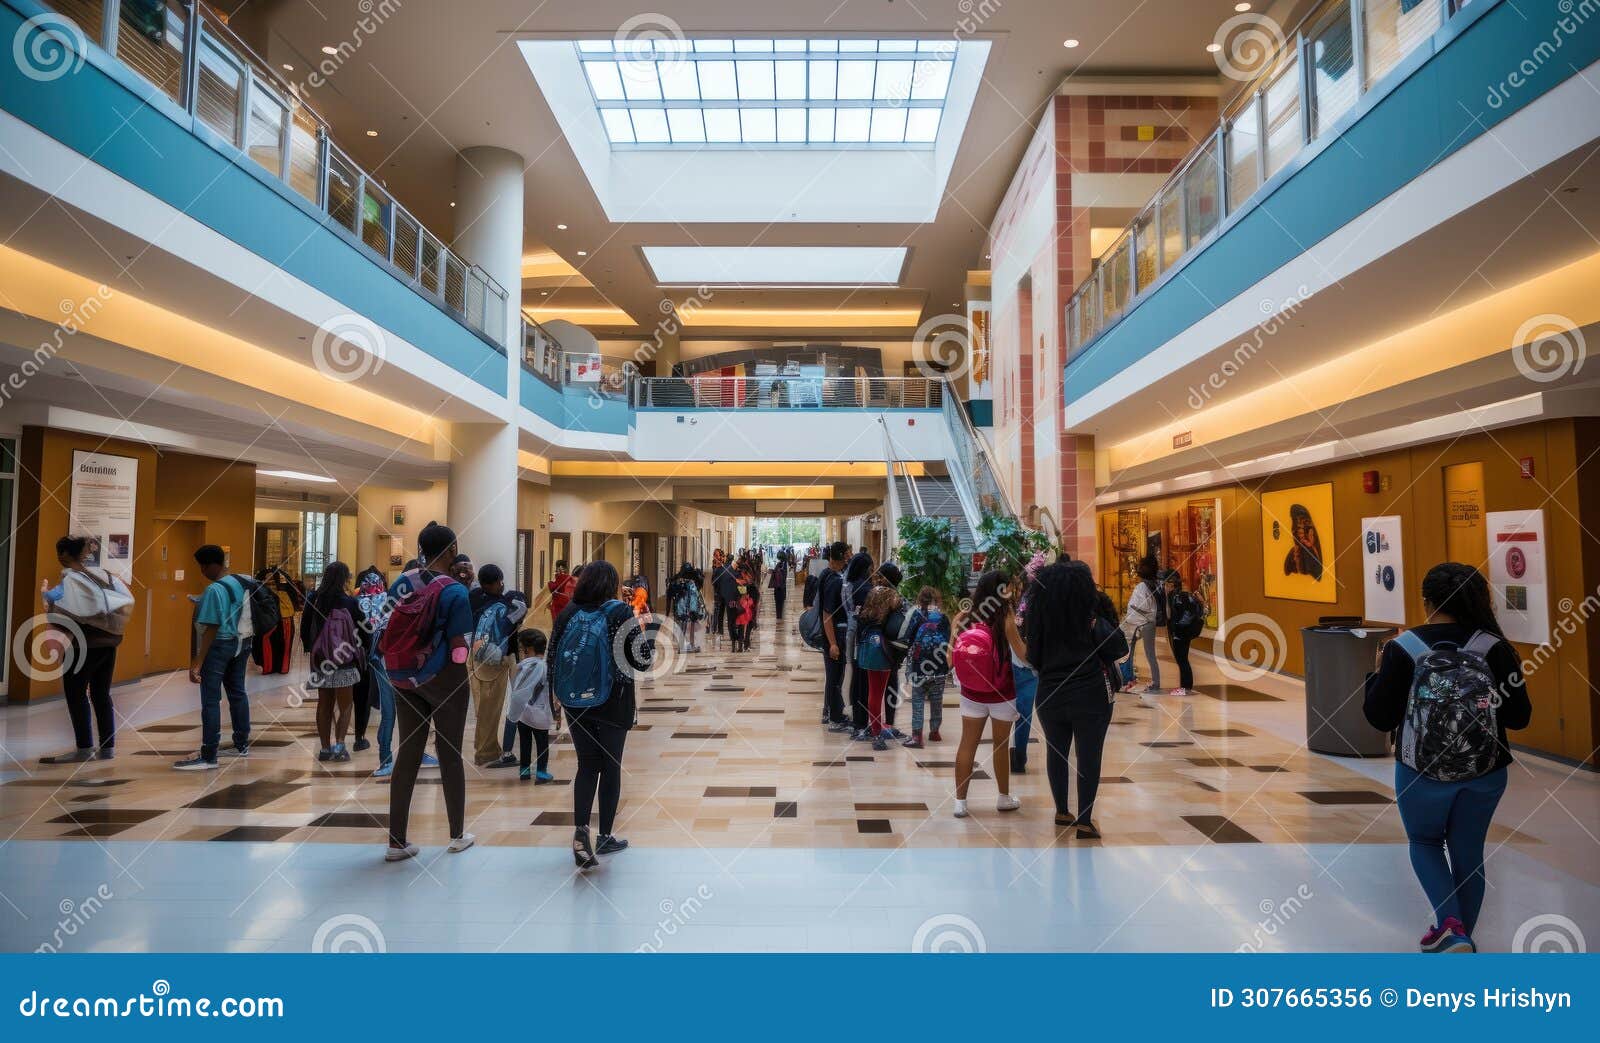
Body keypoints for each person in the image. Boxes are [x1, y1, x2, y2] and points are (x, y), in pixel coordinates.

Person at [1363, 563, 1532, 954]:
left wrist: (1374, 679)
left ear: (1427, 601)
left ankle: (1451, 929)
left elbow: (1379, 717)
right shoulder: (1494, 647)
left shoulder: (1404, 648)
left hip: (1421, 772)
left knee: (1424, 842)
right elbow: (1520, 718)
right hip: (1486, 771)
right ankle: (1458, 936)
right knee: (1468, 852)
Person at [383, 522, 477, 861]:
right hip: (444, 679)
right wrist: (457, 673)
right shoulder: (454, 591)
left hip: (401, 676)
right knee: (450, 752)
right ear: (451, 550)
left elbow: (383, 625)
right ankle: (456, 835)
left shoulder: (402, 582)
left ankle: (397, 842)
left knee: (407, 752)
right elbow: (460, 647)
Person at [549, 560, 646, 869]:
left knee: (587, 766)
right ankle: (604, 835)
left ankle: (580, 832)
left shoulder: (568, 612)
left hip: (575, 702)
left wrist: (558, 698)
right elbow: (641, 659)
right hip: (613, 700)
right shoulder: (618, 612)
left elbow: (553, 658)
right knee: (611, 766)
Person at [1025, 561, 1128, 839]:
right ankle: (1085, 820)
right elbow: (1119, 648)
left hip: (1050, 694)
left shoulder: (1041, 620)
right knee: (1089, 756)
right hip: (1090, 693)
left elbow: (1032, 657)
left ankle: (1061, 810)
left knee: (1055, 752)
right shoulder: (1091, 616)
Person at [38, 536, 133, 763]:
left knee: (76, 694)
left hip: (83, 645)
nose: (59, 557)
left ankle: (84, 749)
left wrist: (47, 600)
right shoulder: (104, 575)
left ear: (65, 555)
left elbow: (63, 616)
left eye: (60, 553)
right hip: (109, 644)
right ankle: (108, 748)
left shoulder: (70, 578)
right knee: (101, 694)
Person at [174, 545, 252, 770]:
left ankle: (209, 754)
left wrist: (197, 662)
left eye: (203, 566)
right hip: (243, 642)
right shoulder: (240, 581)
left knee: (210, 699)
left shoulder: (214, 590)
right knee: (238, 692)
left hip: (221, 645)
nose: (202, 571)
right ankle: (241, 744)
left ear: (212, 565)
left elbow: (211, 627)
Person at [949, 571, 1021, 816]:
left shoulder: (964, 617)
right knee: (1000, 746)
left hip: (972, 692)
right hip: (1002, 691)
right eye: (1010, 587)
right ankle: (1003, 797)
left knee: (967, 744)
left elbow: (950, 660)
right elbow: (1021, 653)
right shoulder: (1005, 616)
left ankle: (960, 802)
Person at [300, 562, 366, 762]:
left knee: (324, 704)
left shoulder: (313, 599)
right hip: (344, 660)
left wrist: (312, 649)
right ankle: (340, 745)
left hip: (321, 660)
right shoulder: (349, 602)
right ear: (344, 579)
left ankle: (325, 748)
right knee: (345, 705)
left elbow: (304, 629)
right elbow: (363, 628)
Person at [468, 563, 525, 769]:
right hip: (497, 660)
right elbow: (515, 622)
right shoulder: (505, 602)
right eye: (500, 582)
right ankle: (486, 752)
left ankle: (484, 747)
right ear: (497, 581)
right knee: (491, 708)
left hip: (475, 657)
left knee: (484, 708)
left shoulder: (473, 598)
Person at [505, 629, 557, 783]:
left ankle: (524, 771)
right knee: (542, 744)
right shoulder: (543, 666)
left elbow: (516, 689)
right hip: (540, 713)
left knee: (525, 743)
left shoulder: (522, 666)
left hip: (522, 714)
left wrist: (512, 714)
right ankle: (541, 772)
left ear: (528, 649)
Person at [902, 586, 951, 749]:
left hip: (919, 667)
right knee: (937, 700)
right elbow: (948, 639)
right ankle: (935, 731)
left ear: (920, 600)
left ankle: (917, 736)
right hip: (939, 667)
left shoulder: (916, 615)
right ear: (937, 600)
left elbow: (907, 637)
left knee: (918, 700)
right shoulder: (943, 617)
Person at [855, 584, 902, 751]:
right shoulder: (890, 607)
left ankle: (877, 728)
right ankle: (877, 733)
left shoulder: (867, 613)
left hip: (869, 647)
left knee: (873, 693)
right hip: (882, 650)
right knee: (877, 693)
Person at [816, 541, 852, 732]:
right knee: (836, 676)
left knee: (833, 676)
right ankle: (835, 717)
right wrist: (833, 643)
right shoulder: (834, 581)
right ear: (842, 556)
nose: (850, 556)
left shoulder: (826, 574)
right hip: (833, 635)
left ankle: (829, 711)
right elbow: (827, 613)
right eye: (848, 552)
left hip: (830, 634)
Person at [842, 551, 875, 739]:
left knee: (857, 676)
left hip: (852, 633)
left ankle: (858, 721)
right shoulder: (864, 588)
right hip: (862, 637)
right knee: (862, 680)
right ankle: (861, 722)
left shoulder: (849, 584)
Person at [1119, 556, 1162, 694]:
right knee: (1150, 654)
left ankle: (1127, 679)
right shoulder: (1156, 585)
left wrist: (1131, 612)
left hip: (1138, 624)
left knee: (1127, 651)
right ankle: (1156, 681)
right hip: (1150, 623)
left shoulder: (1142, 586)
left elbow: (1137, 605)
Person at [1163, 570, 1202, 695]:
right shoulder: (1187, 595)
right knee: (1183, 659)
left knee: (1182, 660)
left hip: (1179, 633)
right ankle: (1185, 687)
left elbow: (1169, 615)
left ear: (1171, 585)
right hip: (1186, 632)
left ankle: (1185, 688)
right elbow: (1199, 612)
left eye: (1166, 584)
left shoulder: (1173, 597)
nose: (1164, 587)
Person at [667, 562, 705, 653]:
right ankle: (690, 645)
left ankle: (683, 646)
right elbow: (695, 595)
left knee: (682, 625)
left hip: (681, 608)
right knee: (691, 625)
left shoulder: (678, 580)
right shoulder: (692, 582)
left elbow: (671, 594)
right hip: (690, 608)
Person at [713, 552, 741, 647]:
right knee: (730, 616)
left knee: (720, 613)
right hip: (730, 597)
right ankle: (731, 635)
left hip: (721, 595)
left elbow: (714, 581)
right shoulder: (734, 571)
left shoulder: (720, 569)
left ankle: (720, 629)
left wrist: (717, 590)